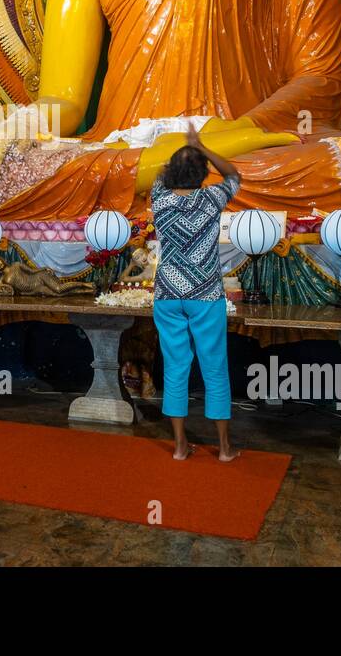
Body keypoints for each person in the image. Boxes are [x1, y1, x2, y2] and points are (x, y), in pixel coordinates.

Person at [150, 124, 241, 462]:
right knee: (215, 368)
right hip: (205, 294)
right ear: (204, 172)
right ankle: (225, 449)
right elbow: (233, 175)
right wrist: (201, 146)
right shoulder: (212, 197)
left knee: (175, 368)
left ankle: (179, 447)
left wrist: (185, 154)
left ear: (172, 171)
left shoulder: (159, 198)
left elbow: (160, 173)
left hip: (168, 293)